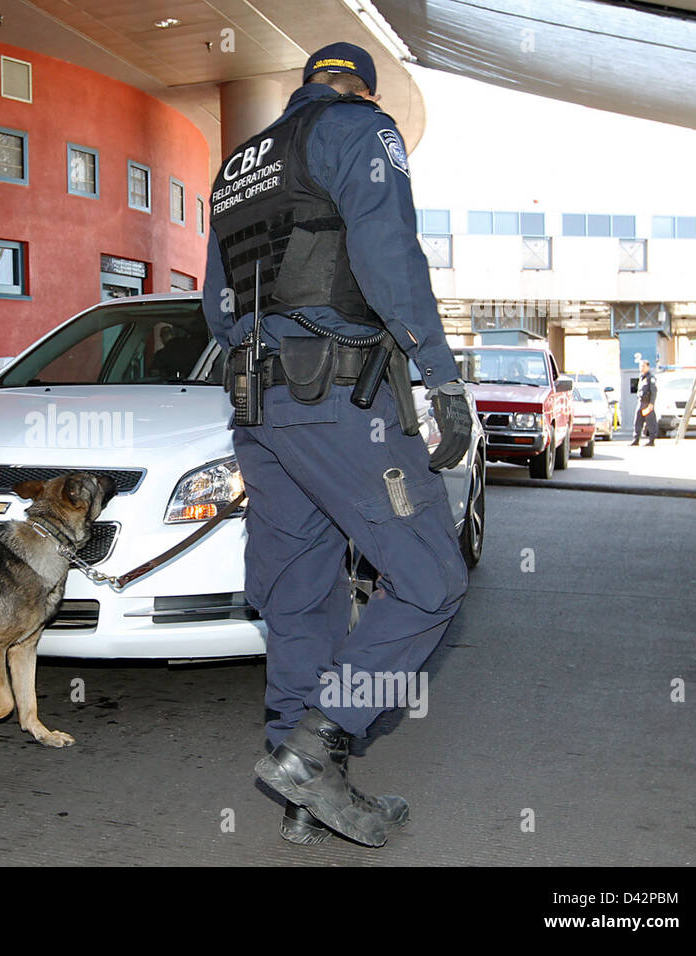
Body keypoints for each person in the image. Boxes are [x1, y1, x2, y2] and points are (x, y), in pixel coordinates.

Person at [203, 42, 471, 847]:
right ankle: (320, 748)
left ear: (300, 86)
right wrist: (441, 375)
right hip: (338, 397)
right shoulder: (362, 128)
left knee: (298, 595)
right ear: (361, 86)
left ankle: (299, 791)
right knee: (430, 578)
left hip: (257, 403)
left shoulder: (238, 167)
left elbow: (216, 304)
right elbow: (388, 256)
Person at [631, 359, 657, 446]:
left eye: (643, 366)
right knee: (637, 422)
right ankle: (636, 440)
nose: (641, 368)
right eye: (640, 366)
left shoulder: (651, 378)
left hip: (647, 403)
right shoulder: (641, 377)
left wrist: (651, 404)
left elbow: (653, 392)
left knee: (650, 423)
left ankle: (651, 441)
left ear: (648, 367)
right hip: (640, 403)